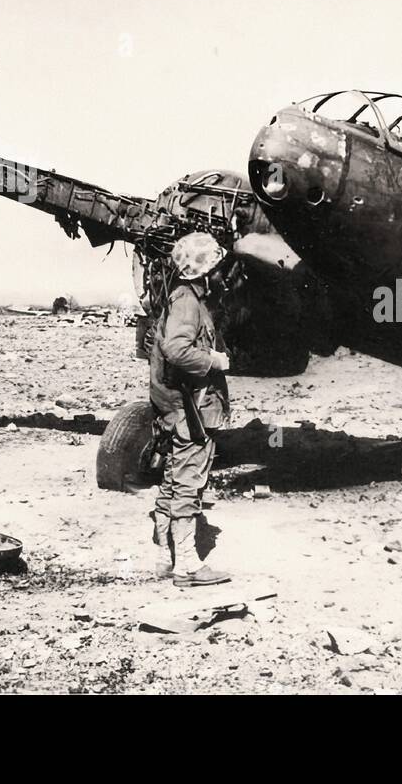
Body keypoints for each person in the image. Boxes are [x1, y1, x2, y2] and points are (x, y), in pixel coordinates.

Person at [149, 232, 233, 587]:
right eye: (216, 267)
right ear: (203, 272)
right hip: (190, 412)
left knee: (171, 481)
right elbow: (178, 351)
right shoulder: (187, 302)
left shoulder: (182, 298)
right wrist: (213, 360)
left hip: (178, 409)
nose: (221, 274)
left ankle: (165, 559)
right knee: (187, 484)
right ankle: (187, 566)